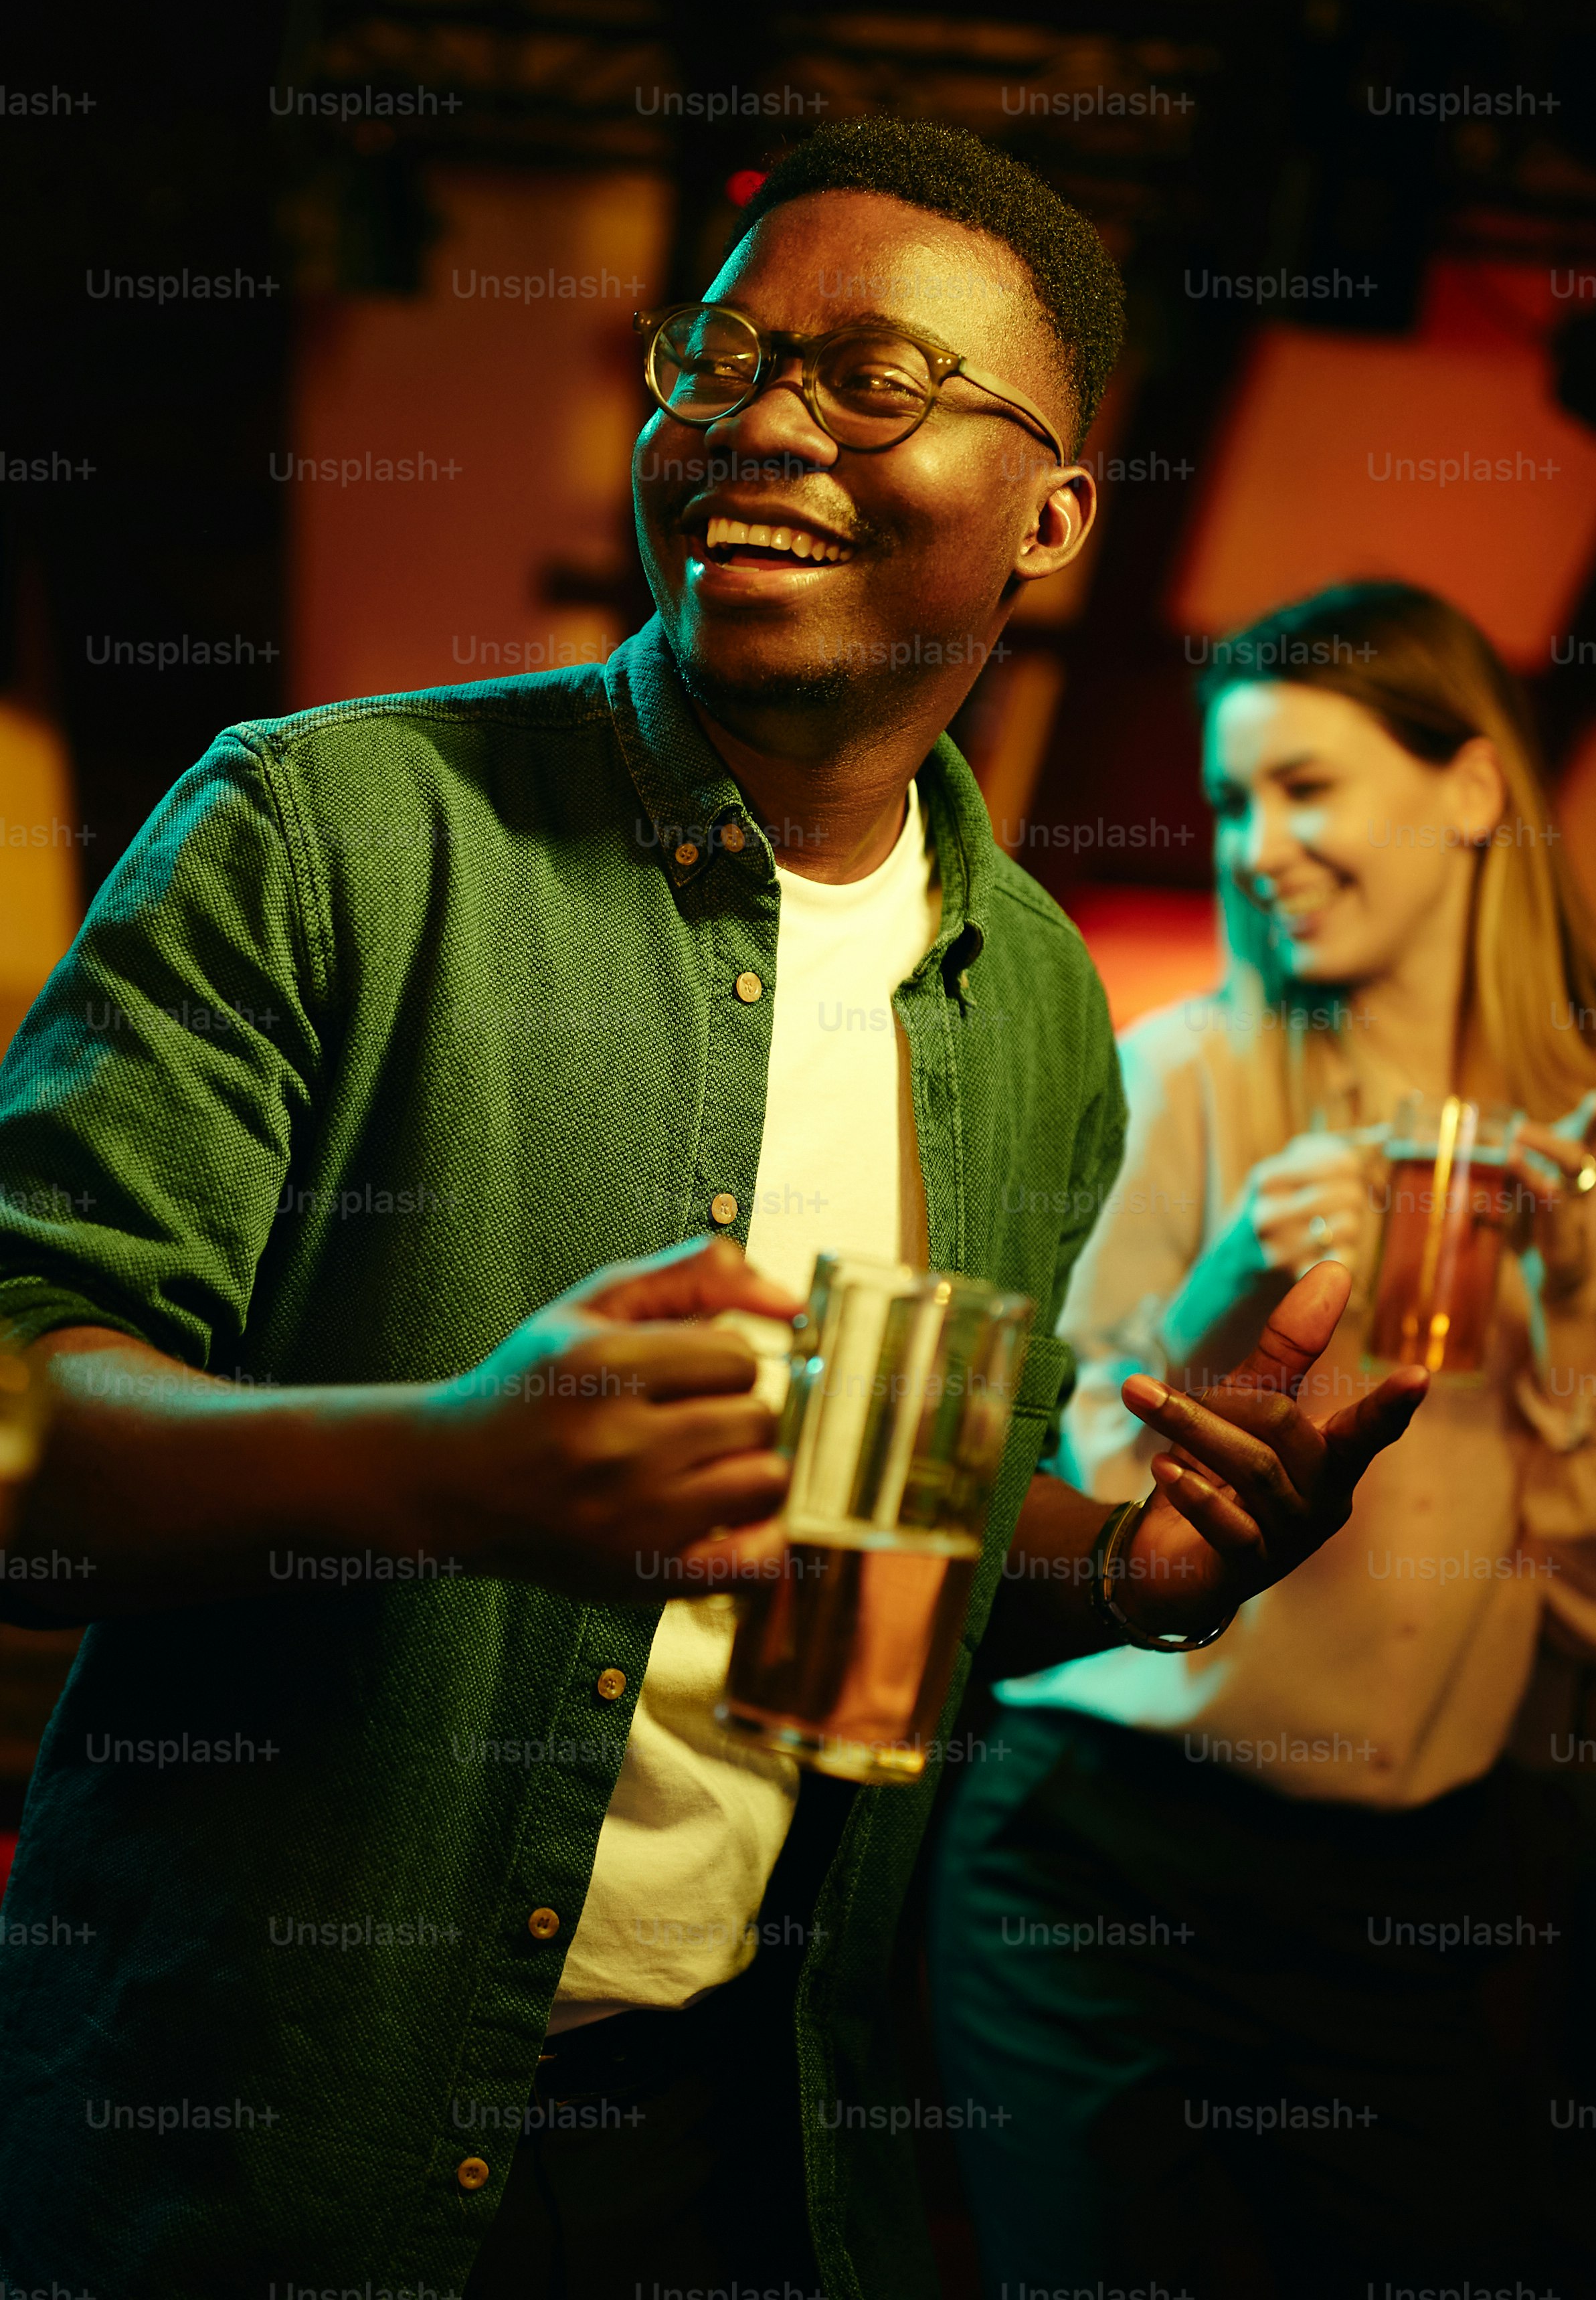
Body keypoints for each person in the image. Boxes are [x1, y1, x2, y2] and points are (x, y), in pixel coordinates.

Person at [0, 126, 1425, 2300]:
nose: (757, 421)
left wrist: (1140, 1565)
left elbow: (915, 1529)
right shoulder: (320, 828)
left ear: (1054, 515)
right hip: (283, 2121)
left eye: (872, 380)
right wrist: (440, 1466)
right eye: (722, 356)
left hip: (750, 2131)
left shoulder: (1035, 992)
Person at [931, 581, 1596, 2300]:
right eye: (1232, 802)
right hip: (1099, 1861)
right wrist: (1218, 1294)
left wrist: (1574, 1314)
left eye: (1305, 788)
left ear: (1472, 788)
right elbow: (1050, 1498)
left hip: (1407, 1897)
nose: (1257, 846)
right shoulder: (1177, 1074)